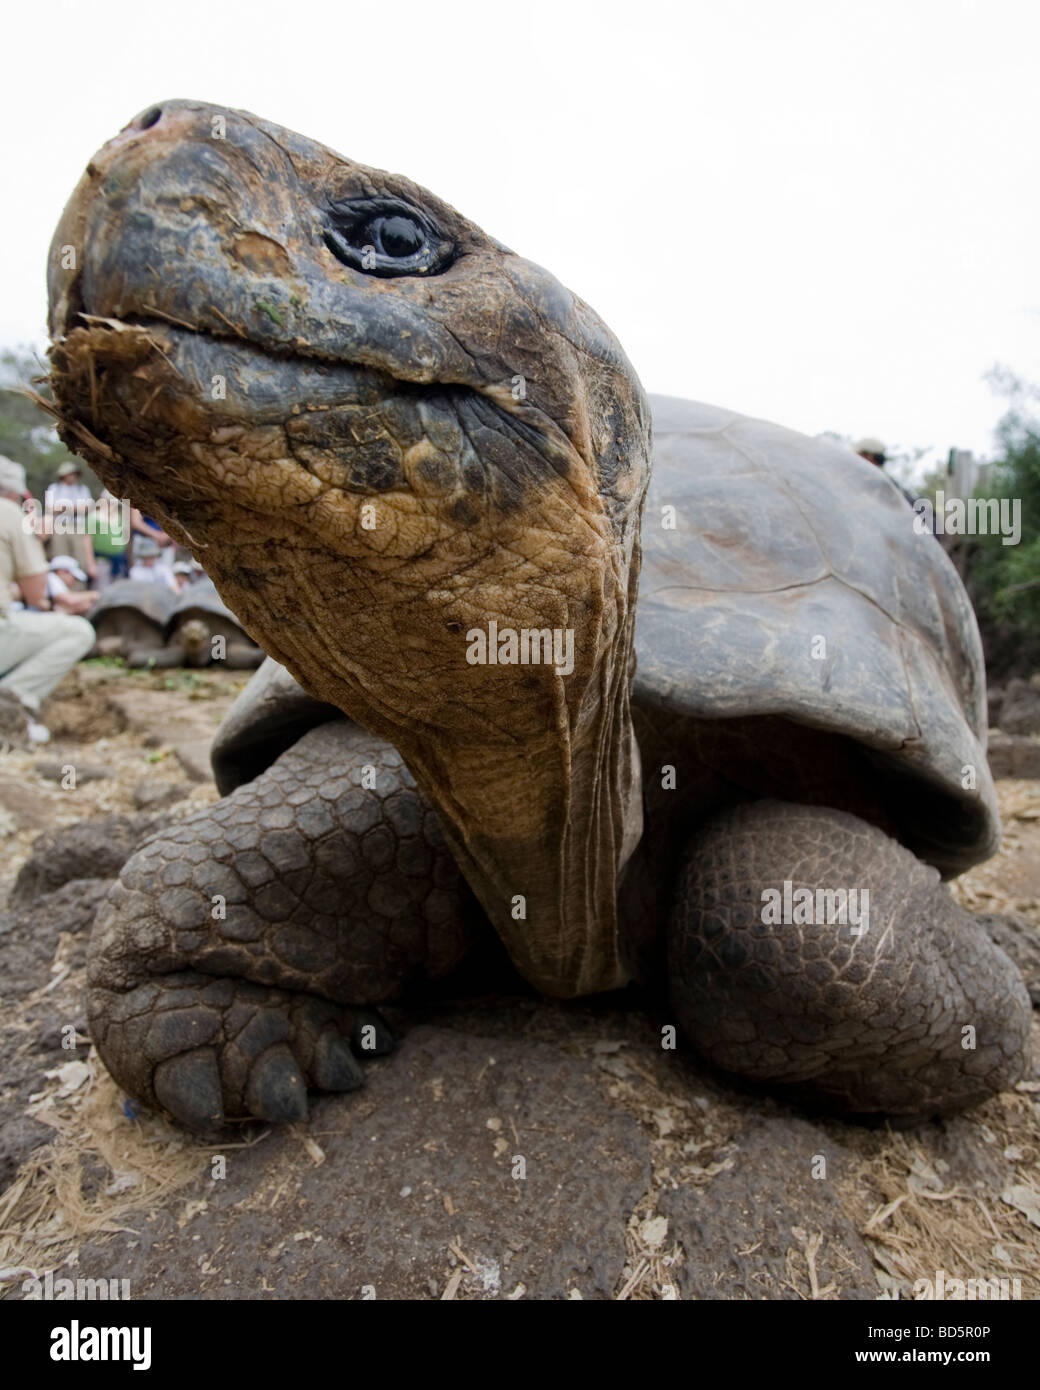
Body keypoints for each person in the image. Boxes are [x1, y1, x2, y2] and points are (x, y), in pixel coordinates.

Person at [0, 454, 95, 744]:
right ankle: (12, 705)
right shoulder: (9, 512)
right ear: (16, 493)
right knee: (79, 632)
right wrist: (36, 541)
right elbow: (36, 593)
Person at [44, 462, 97, 582]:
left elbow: (88, 507)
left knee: (79, 557)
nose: (71, 477)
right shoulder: (54, 488)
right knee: (60, 557)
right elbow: (51, 508)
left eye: (73, 474)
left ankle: (79, 587)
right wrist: (73, 508)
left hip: (77, 526)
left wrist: (66, 508)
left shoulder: (82, 489)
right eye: (69, 474)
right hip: (59, 526)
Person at [89, 490, 131, 582]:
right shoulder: (93, 517)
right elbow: (87, 541)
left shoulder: (119, 517)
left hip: (119, 560)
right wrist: (91, 564)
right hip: (102, 560)